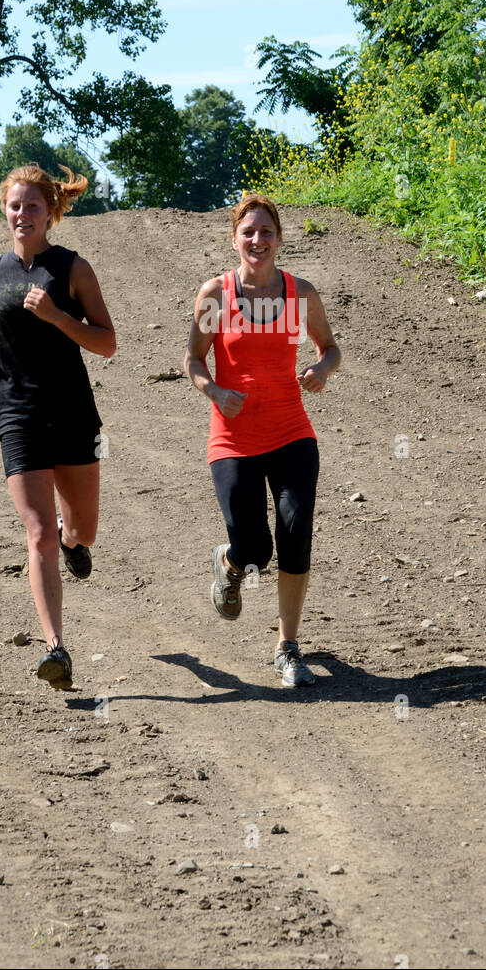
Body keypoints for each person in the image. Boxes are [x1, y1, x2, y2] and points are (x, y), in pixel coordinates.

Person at [0, 164, 116, 691]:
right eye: (13, 205)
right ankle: (57, 648)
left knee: (81, 530)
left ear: (50, 211)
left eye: (31, 206)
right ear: (4, 210)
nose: (21, 214)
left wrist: (57, 317)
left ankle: (78, 546)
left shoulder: (72, 269)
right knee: (38, 532)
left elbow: (107, 342)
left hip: (73, 413)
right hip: (18, 415)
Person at [184, 193, 341, 687]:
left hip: (292, 433)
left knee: (295, 532)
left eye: (266, 232)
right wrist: (212, 390)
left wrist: (320, 368)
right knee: (254, 550)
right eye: (248, 232)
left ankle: (287, 647)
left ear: (279, 238)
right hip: (233, 439)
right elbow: (192, 360)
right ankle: (230, 563)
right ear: (234, 239)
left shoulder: (298, 294)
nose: (258, 240)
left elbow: (331, 348)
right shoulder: (218, 294)